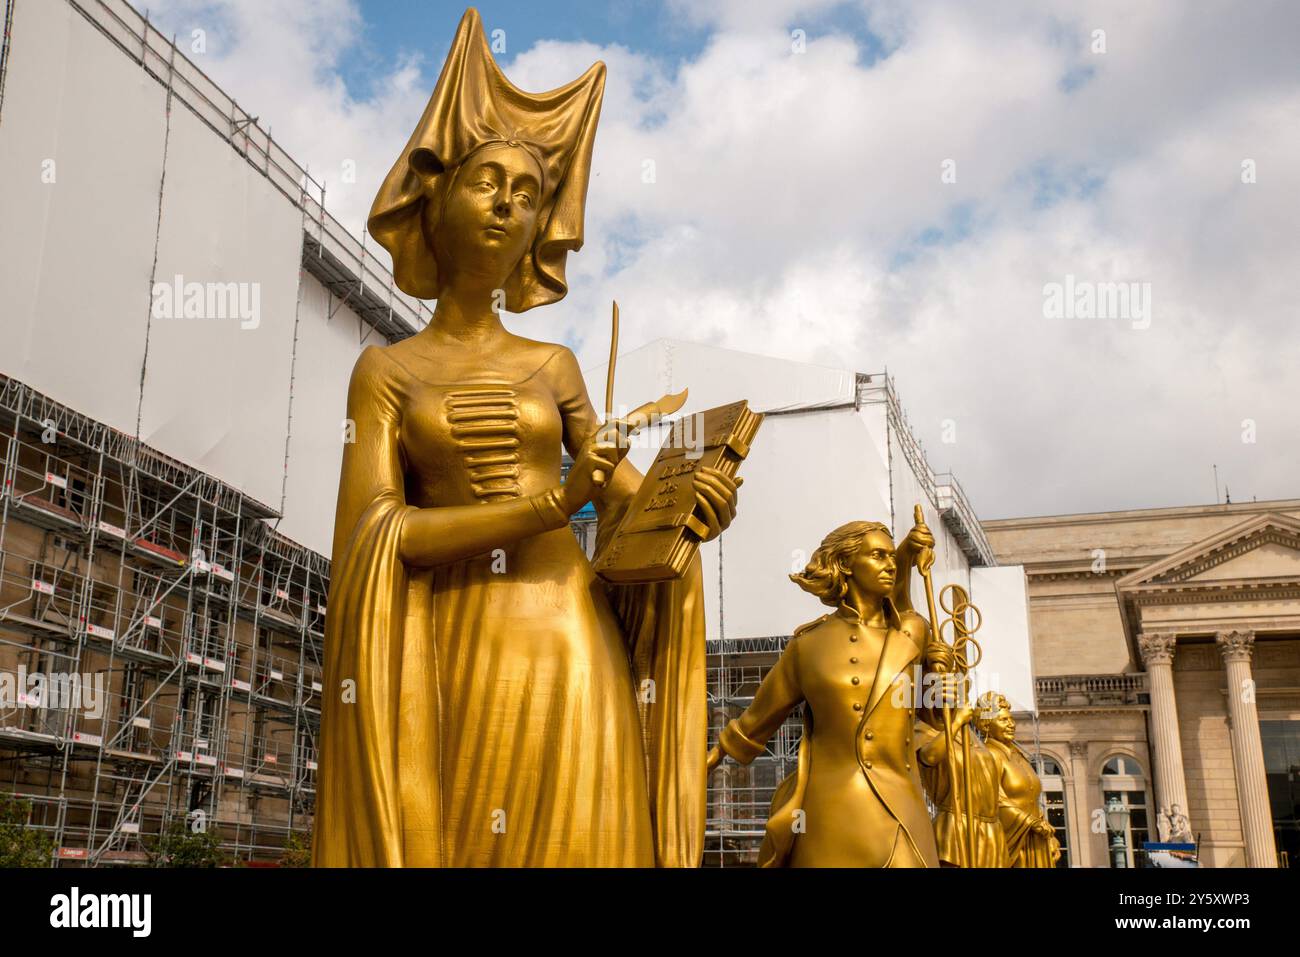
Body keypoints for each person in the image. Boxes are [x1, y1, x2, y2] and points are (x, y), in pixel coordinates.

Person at [312, 9, 741, 867]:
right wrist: (551, 502)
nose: (511, 204)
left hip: (571, 644)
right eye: (489, 182)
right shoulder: (386, 372)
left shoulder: (556, 364)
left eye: (530, 192)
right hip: (451, 656)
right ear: (434, 202)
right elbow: (378, 540)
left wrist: (690, 507)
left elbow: (626, 513)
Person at [707, 516, 948, 866]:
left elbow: (938, 717)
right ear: (846, 565)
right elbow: (753, 722)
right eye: (878, 556)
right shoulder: (809, 646)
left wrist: (946, 675)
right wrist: (703, 766)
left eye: (893, 558)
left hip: (901, 808)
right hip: (828, 811)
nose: (890, 565)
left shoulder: (913, 634)